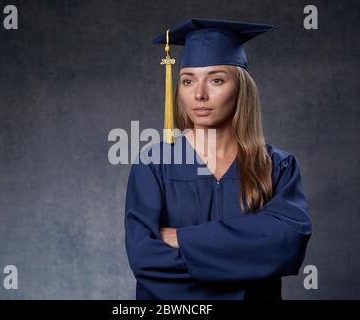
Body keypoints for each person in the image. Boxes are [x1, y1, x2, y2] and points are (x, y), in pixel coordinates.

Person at [124, 18, 312, 300]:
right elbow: (145, 259)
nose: (199, 94)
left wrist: (183, 239)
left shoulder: (277, 166)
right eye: (188, 81)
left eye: (216, 80)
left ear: (240, 88)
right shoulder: (153, 164)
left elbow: (288, 242)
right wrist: (246, 261)